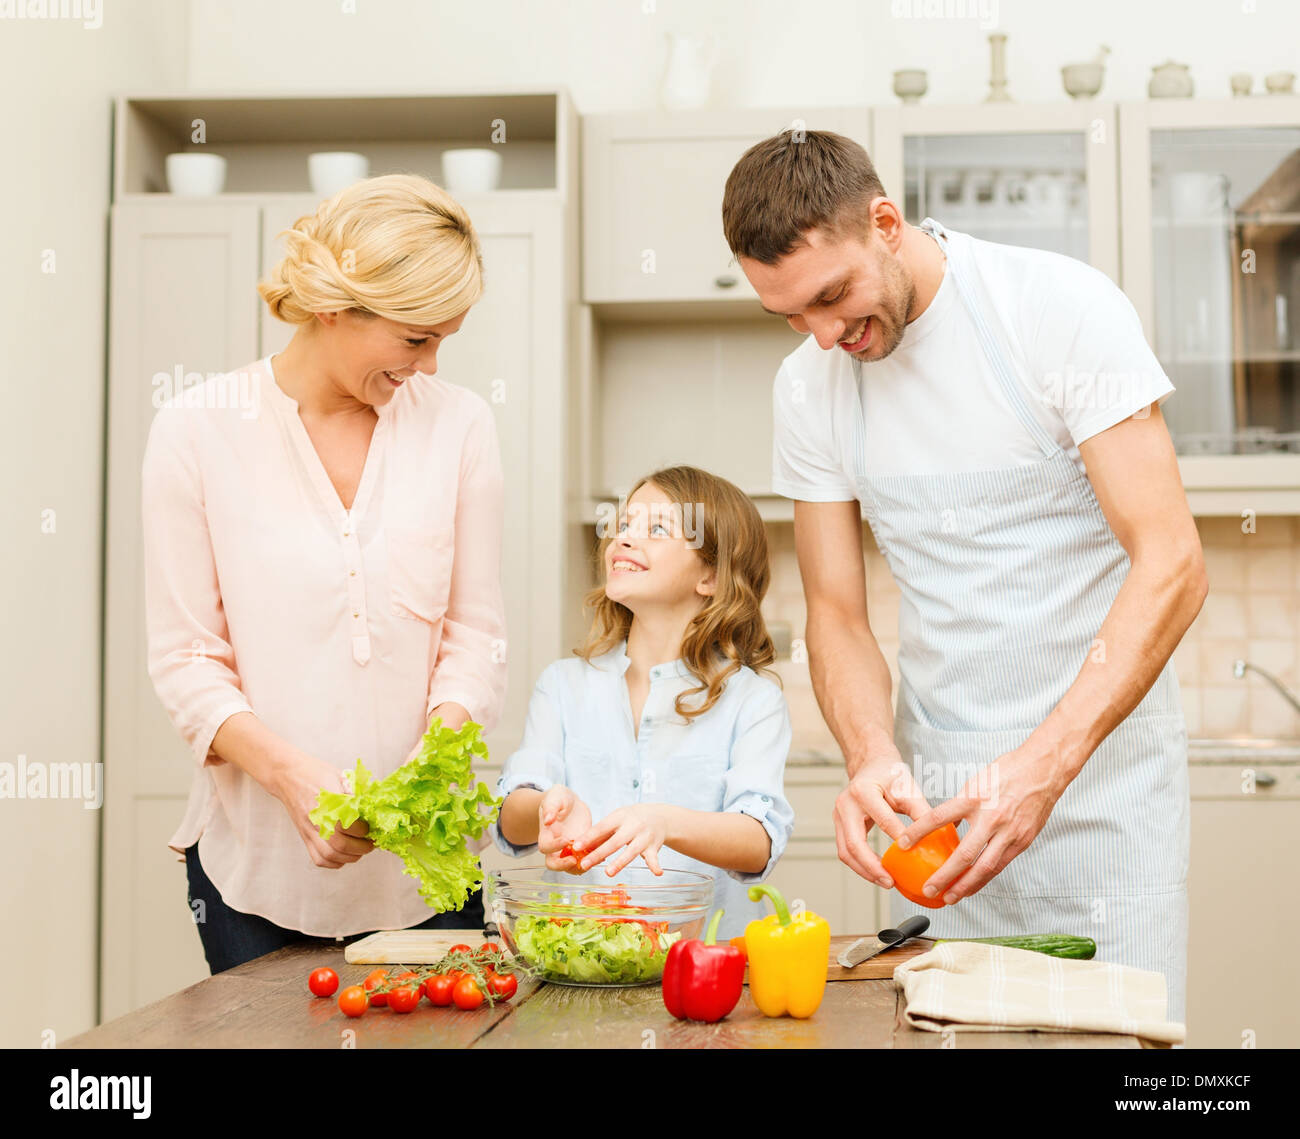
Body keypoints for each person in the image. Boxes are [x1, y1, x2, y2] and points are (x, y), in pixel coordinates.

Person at [722, 130, 1207, 1021]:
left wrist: (1040, 770)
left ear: (884, 221)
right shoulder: (810, 386)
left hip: (1104, 804)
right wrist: (869, 755)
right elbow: (835, 612)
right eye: (790, 315)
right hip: (937, 820)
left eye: (833, 296)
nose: (825, 337)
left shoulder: (1056, 309)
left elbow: (1172, 561)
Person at [142, 173, 508, 972]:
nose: (431, 362)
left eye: (446, 338)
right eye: (415, 338)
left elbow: (475, 633)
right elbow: (186, 659)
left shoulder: (461, 426)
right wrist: (291, 778)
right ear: (335, 306)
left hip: (427, 871)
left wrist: (437, 751)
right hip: (255, 873)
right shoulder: (196, 431)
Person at [491, 466, 795, 939]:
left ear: (711, 577)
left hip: (702, 965)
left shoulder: (753, 700)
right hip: (580, 960)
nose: (625, 539)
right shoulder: (563, 685)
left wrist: (665, 821)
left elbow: (758, 839)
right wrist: (545, 807)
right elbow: (513, 820)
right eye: (625, 525)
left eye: (656, 529)